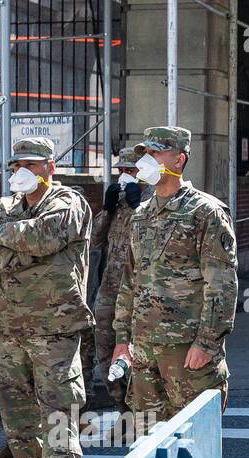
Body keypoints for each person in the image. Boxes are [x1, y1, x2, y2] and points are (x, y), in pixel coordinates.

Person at [0, 136, 93, 458]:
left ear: (50, 168)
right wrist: (18, 244)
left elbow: (44, 236)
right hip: (7, 330)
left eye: (31, 165)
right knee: (16, 410)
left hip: (53, 329)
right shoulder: (4, 206)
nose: (21, 172)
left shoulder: (68, 202)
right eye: (15, 167)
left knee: (57, 410)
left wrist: (4, 237)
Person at [111, 125, 238, 422]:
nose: (147, 160)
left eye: (156, 153)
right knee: (147, 445)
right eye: (146, 153)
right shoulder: (141, 214)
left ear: (179, 160)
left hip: (186, 351)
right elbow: (130, 280)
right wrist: (121, 338)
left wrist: (207, 342)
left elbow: (221, 283)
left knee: (193, 444)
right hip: (144, 352)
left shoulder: (206, 212)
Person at [84, 146, 148, 440]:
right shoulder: (119, 204)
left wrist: (138, 206)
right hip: (110, 288)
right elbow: (95, 239)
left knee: (137, 353)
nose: (125, 176)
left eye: (131, 171)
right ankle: (122, 409)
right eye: (121, 170)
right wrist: (108, 209)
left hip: (141, 291)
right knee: (106, 350)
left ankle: (140, 415)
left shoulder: (152, 201)